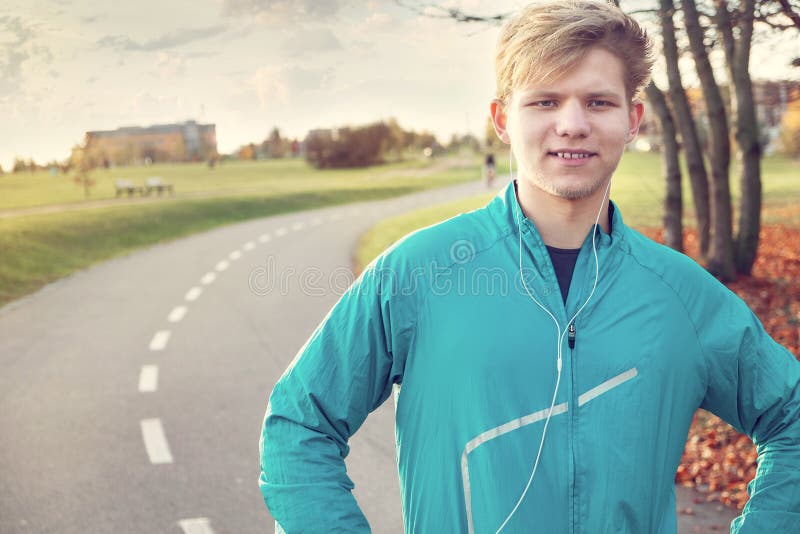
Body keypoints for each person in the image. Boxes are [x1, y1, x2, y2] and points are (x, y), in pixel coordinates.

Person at [259, 1, 800, 532]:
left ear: (633, 119)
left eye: (598, 102)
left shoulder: (683, 296)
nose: (571, 124)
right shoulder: (417, 274)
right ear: (502, 119)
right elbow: (299, 425)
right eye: (544, 101)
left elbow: (791, 416)